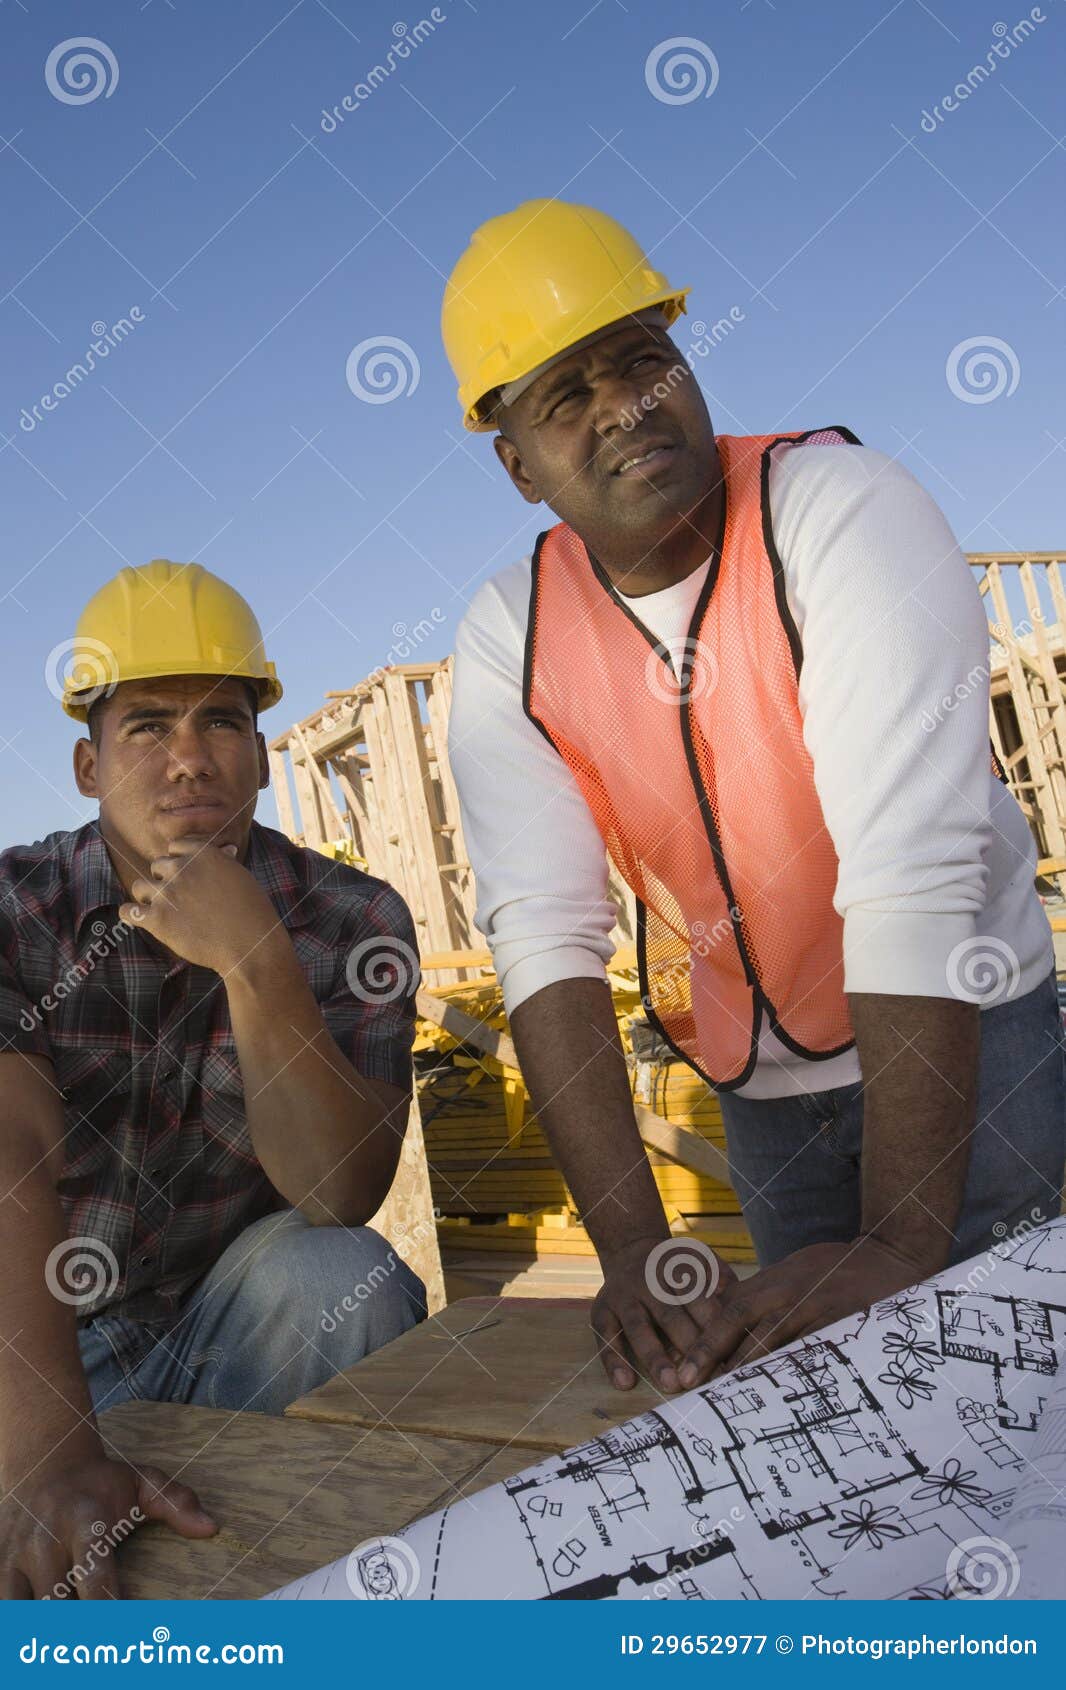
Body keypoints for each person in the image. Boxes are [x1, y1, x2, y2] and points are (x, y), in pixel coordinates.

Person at [441, 198, 1066, 1400]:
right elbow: (546, 940)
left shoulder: (838, 512)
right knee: (848, 1417)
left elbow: (910, 876)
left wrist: (896, 1244)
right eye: (565, 397)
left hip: (973, 1053)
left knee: (1020, 1404)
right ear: (515, 463)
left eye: (641, 359)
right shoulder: (506, 637)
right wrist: (627, 1244)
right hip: (764, 1101)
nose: (623, 406)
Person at [0, 559, 427, 1599]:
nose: (191, 759)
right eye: (147, 725)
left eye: (223, 723)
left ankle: (293, 1602)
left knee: (339, 1273)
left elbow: (339, 1193)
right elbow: (11, 1152)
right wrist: (46, 1452)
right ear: (88, 766)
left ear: (263, 754)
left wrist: (254, 960)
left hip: (227, 1334)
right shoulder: (16, 906)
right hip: (41, 1347)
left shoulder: (354, 918)